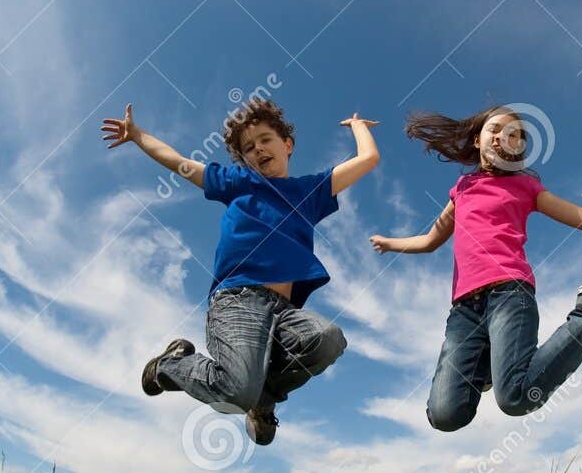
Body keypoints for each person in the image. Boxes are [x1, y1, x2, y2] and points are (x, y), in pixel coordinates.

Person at [370, 105, 582, 432]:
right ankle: (484, 367)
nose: (507, 136)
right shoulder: (461, 190)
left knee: (516, 397)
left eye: (516, 134)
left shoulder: (525, 187)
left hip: (509, 294)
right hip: (464, 311)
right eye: (497, 129)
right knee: (444, 416)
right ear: (477, 140)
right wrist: (391, 242)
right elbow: (431, 240)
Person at [102, 97, 379, 445]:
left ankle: (263, 399)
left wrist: (357, 126)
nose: (258, 149)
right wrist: (138, 136)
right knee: (234, 393)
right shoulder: (237, 183)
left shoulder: (309, 191)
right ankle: (170, 365)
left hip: (285, 313)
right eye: (249, 147)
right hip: (238, 300)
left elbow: (368, 159)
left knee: (327, 339)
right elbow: (180, 163)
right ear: (244, 159)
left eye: (265, 139)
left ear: (287, 145)